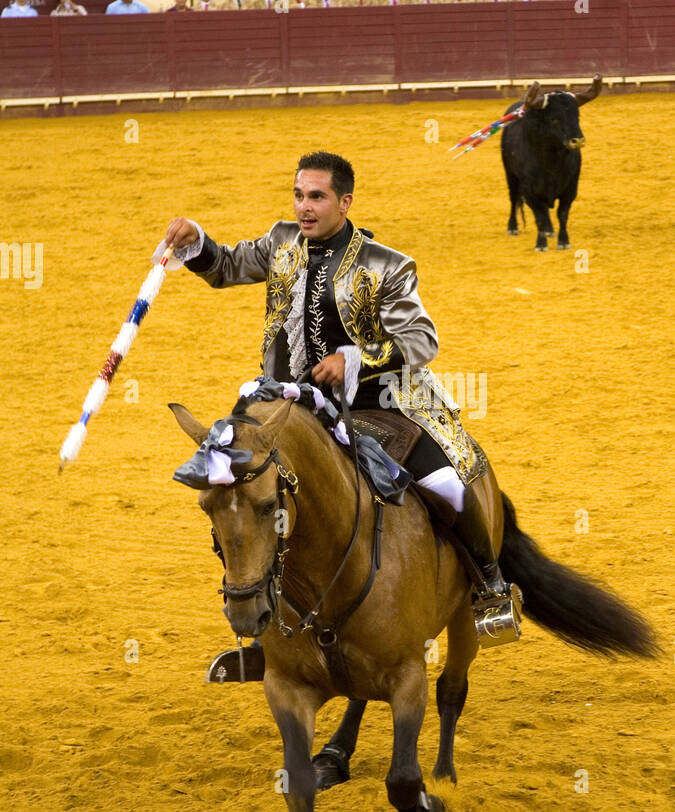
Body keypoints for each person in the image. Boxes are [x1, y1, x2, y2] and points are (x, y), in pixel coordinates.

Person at [163, 153, 518, 643]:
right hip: (290, 403)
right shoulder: (281, 241)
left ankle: (490, 587)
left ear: (345, 202)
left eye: (317, 197)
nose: (304, 207)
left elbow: (421, 340)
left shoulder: (387, 265)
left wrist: (355, 358)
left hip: (382, 405)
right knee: (238, 488)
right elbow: (224, 266)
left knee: (449, 484)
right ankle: (262, 618)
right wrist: (196, 242)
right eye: (298, 195)